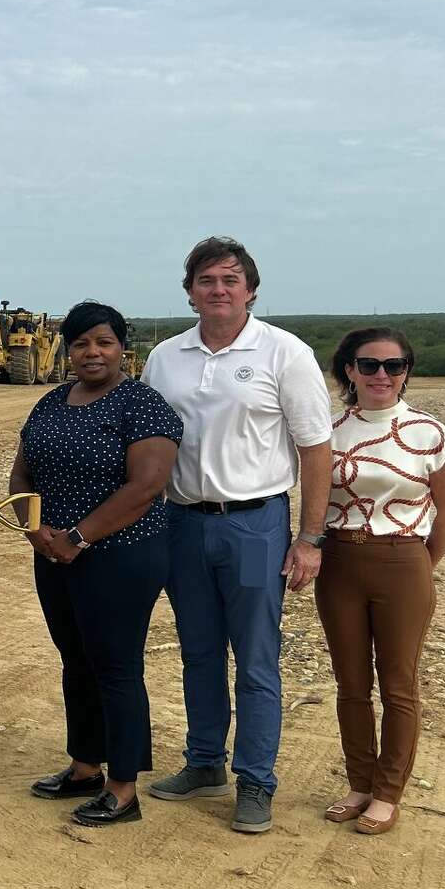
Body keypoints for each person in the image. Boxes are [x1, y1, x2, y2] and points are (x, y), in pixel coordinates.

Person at [142, 236, 332, 834]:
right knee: (198, 651)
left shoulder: (284, 353)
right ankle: (204, 762)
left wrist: (309, 538)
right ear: (190, 291)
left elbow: (316, 449)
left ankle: (256, 781)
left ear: (250, 289)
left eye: (230, 280)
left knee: (255, 658)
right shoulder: (165, 357)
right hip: (182, 521)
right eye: (206, 281)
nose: (218, 291)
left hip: (255, 522)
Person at [10, 301, 182, 827]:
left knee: (115, 665)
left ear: (121, 349)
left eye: (103, 342)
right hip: (55, 553)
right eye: (81, 343)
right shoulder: (52, 402)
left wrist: (80, 537)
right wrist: (34, 527)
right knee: (75, 659)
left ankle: (123, 787)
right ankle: (84, 765)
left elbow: (146, 486)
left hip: (119, 554)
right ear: (68, 350)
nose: (92, 352)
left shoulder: (143, 405)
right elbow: (22, 471)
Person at [316, 328, 445, 835]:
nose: (382, 375)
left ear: (406, 372)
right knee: (351, 684)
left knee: (398, 685)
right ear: (349, 370)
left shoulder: (430, 433)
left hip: (403, 562)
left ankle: (388, 792)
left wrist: (421, 563)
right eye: (370, 364)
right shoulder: (325, 429)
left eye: (394, 366)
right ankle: (359, 782)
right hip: (338, 563)